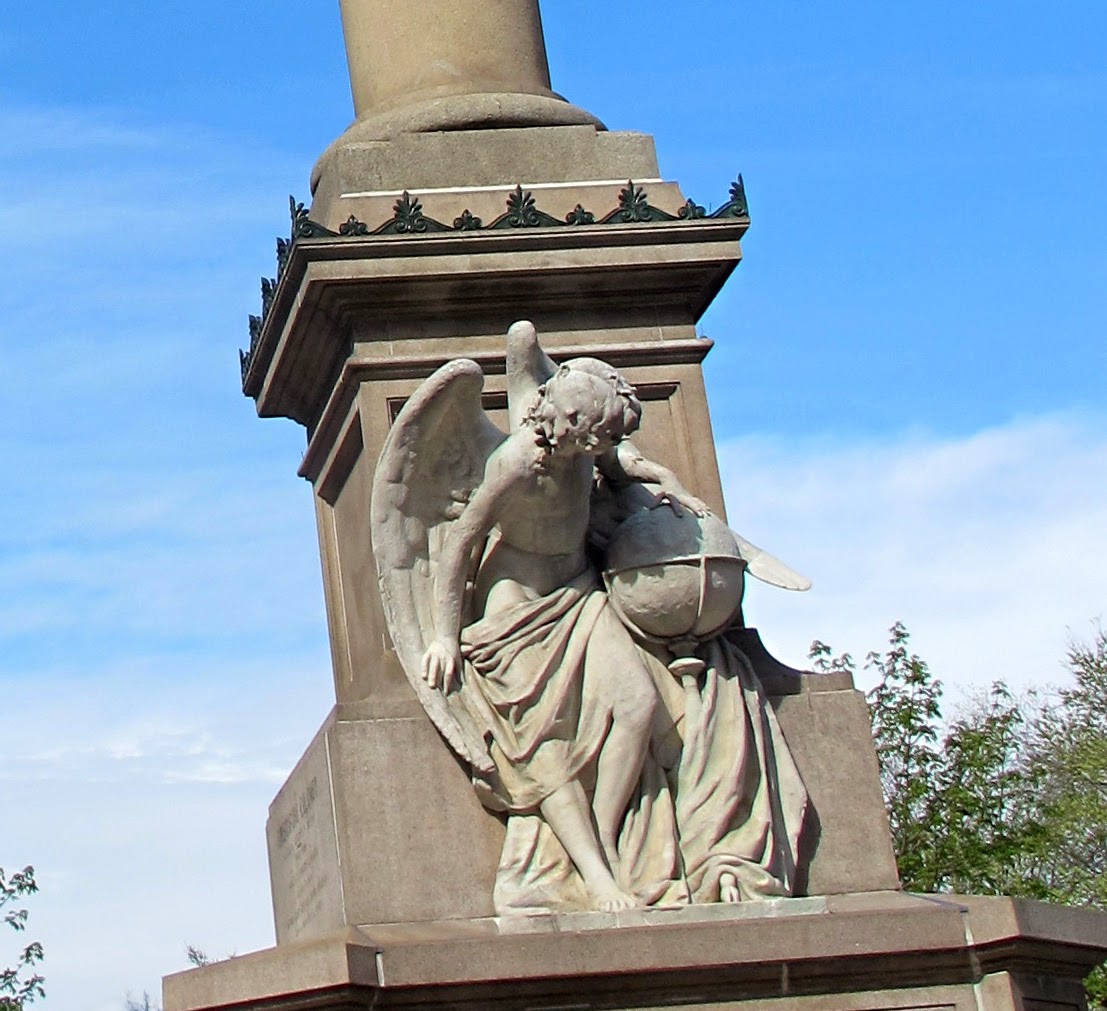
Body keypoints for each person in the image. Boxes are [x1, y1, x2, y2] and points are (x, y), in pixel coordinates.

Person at [421, 360, 699, 912]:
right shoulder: (516, 464)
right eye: (600, 435)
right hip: (516, 613)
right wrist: (446, 637)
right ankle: (596, 877)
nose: (606, 446)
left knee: (639, 702)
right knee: (545, 751)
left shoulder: (586, 445)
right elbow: (461, 544)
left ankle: (603, 832)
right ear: (573, 423)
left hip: (578, 590)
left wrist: (664, 482)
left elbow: (618, 462)